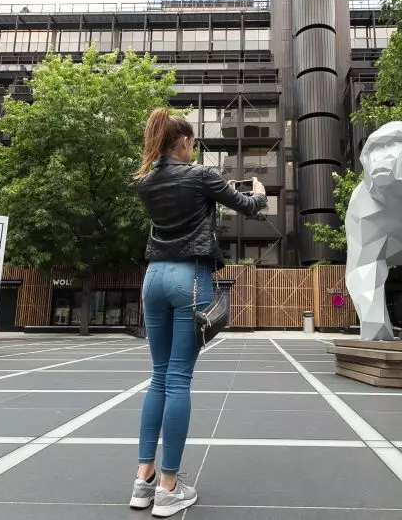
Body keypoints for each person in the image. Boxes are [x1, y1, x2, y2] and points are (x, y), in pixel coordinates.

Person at [130, 107, 267, 517]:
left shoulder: (146, 180)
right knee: (178, 380)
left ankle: (144, 481)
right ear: (185, 142)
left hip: (152, 277)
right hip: (188, 277)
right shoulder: (201, 175)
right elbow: (248, 206)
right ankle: (170, 488)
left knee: (157, 377)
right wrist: (260, 190)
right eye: (193, 143)